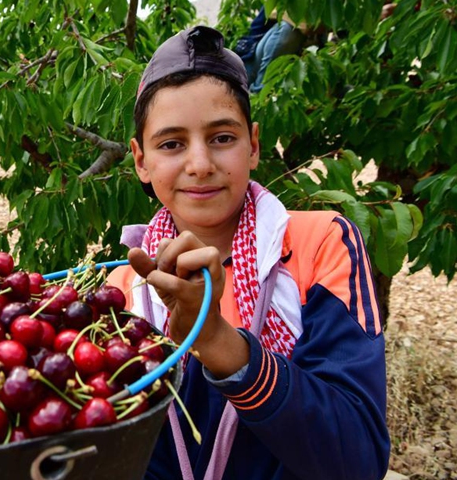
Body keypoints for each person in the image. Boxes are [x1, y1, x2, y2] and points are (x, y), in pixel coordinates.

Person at [107, 25, 390, 479]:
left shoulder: (320, 244)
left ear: (254, 145)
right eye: (171, 144)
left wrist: (216, 340)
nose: (199, 164)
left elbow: (356, 460)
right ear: (141, 160)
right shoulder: (125, 291)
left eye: (222, 138)